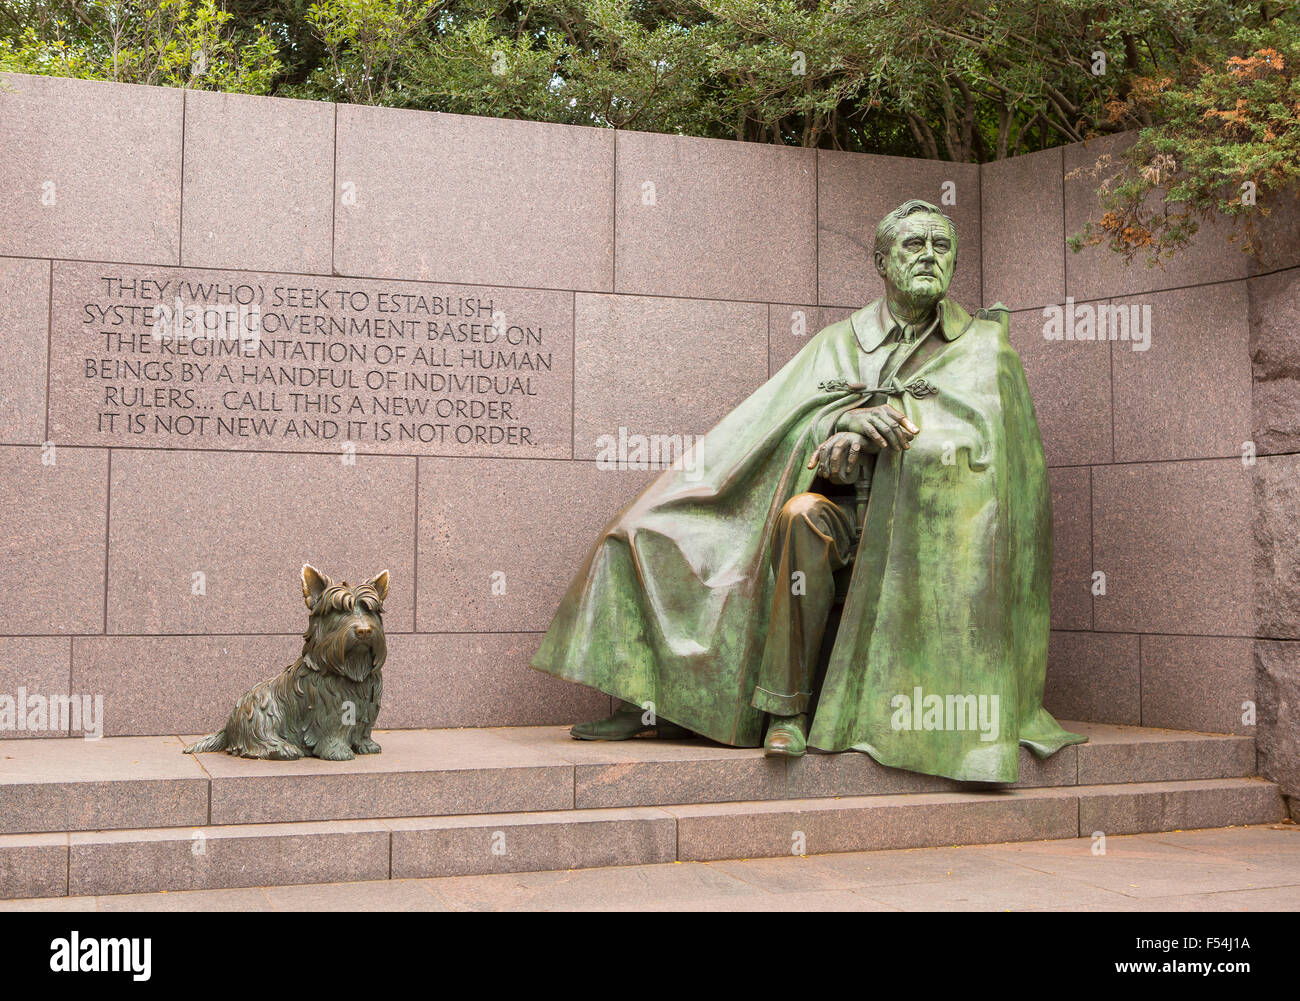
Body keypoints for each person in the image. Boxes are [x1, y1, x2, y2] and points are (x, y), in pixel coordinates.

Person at [530, 199, 1085, 783]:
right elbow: (773, 425)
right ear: (882, 261)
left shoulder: (984, 348)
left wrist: (889, 431)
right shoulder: (837, 344)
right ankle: (740, 706)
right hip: (843, 514)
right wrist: (834, 426)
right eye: (913, 245)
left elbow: (996, 464)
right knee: (666, 529)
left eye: (940, 246)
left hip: (921, 537)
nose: (928, 257)